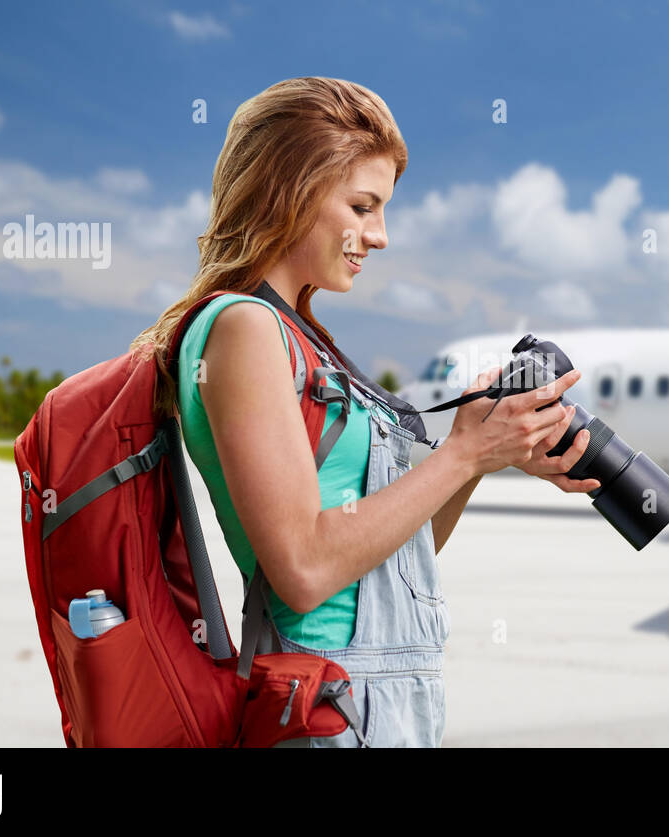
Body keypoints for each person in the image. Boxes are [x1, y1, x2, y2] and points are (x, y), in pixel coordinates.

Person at [130, 77, 601, 747]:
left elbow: (400, 553)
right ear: (287, 188)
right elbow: (303, 567)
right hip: (330, 702)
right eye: (361, 205)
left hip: (383, 699)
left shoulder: (303, 338)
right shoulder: (243, 329)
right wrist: (463, 452)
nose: (378, 236)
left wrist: (482, 454)